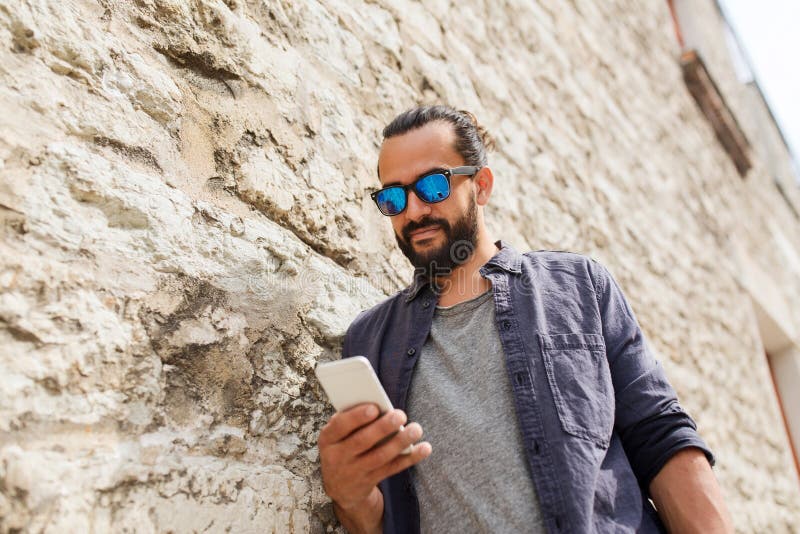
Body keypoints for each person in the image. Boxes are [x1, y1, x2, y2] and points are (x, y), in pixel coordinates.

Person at [317, 105, 733, 533]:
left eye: (433, 186)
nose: (413, 210)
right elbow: (382, 520)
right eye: (393, 197)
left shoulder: (579, 286)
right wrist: (348, 495)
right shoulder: (369, 342)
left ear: (481, 185)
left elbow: (660, 435)